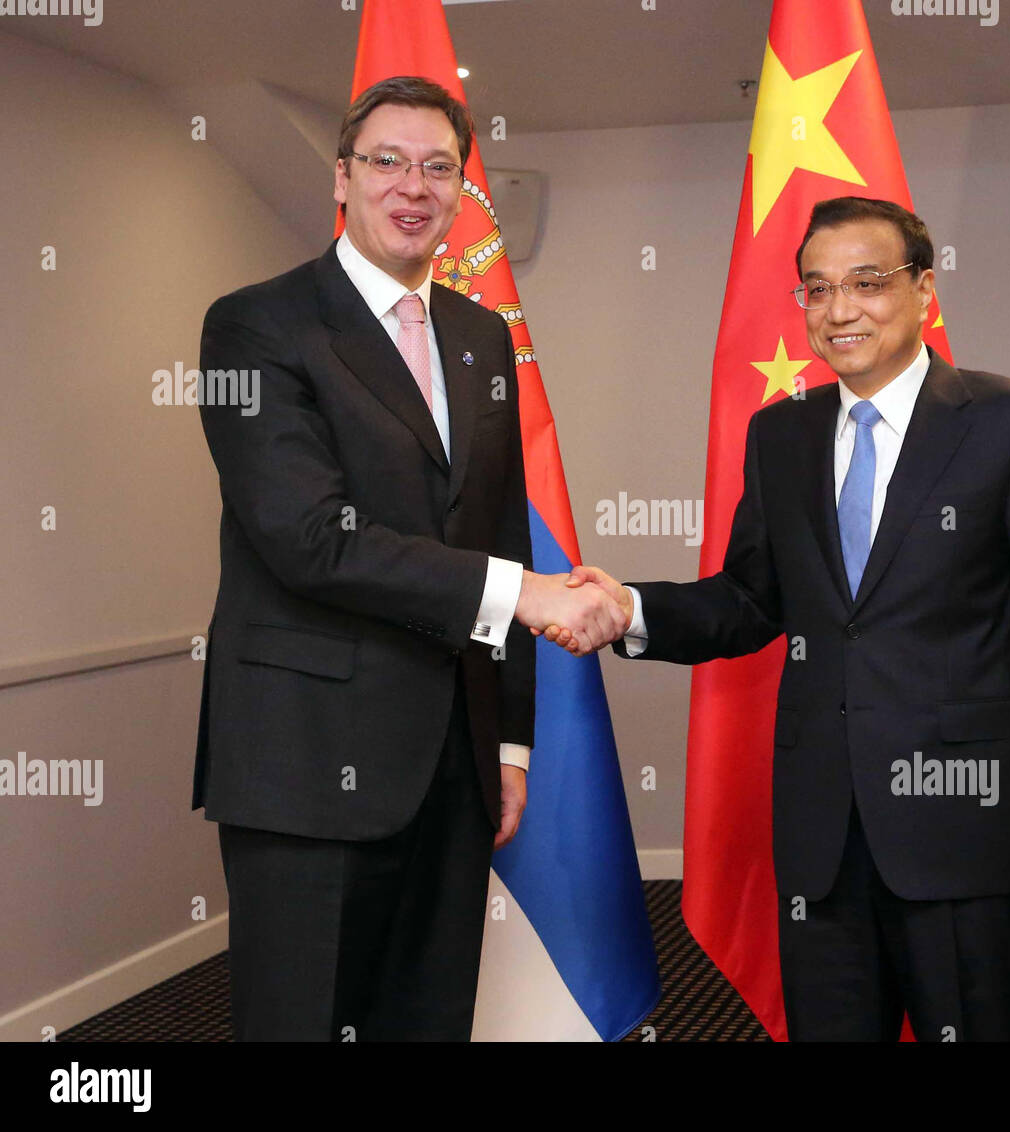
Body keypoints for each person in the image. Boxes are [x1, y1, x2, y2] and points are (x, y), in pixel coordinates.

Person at [551, 197, 1010, 1041]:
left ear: (924, 290)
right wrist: (626, 608)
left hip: (963, 819)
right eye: (816, 289)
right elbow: (747, 601)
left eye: (866, 283)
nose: (839, 309)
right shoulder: (782, 434)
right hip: (822, 832)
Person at [193, 76, 625, 1041]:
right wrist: (525, 596)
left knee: (427, 1022)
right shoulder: (254, 326)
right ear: (341, 178)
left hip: (454, 767)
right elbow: (309, 539)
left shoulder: (479, 337)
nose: (413, 185)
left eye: (438, 166)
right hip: (308, 764)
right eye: (387, 161)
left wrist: (508, 742)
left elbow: (499, 530)